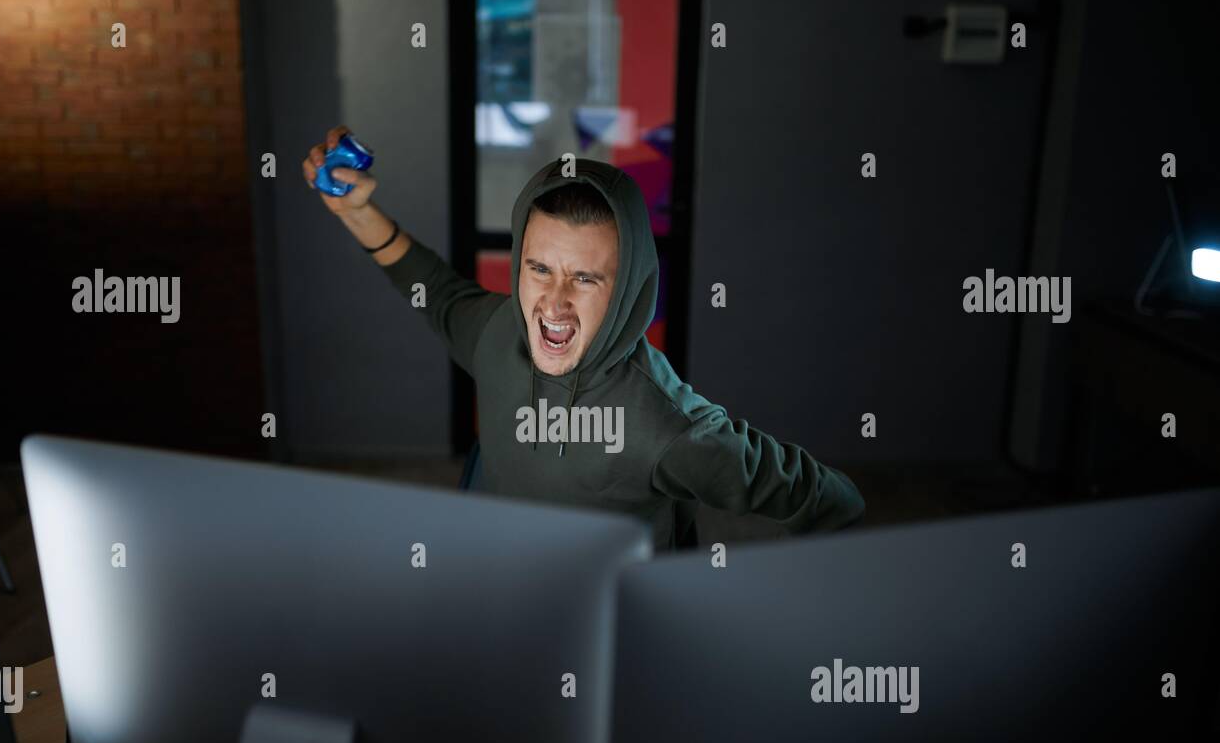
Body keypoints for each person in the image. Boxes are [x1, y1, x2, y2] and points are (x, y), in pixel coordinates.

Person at [302, 126, 864, 548]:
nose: (554, 302)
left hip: (609, 627)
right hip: (494, 570)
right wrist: (357, 212)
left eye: (585, 278)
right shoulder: (499, 332)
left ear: (625, 290)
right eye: (540, 268)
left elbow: (826, 499)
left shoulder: (667, 426)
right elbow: (436, 290)